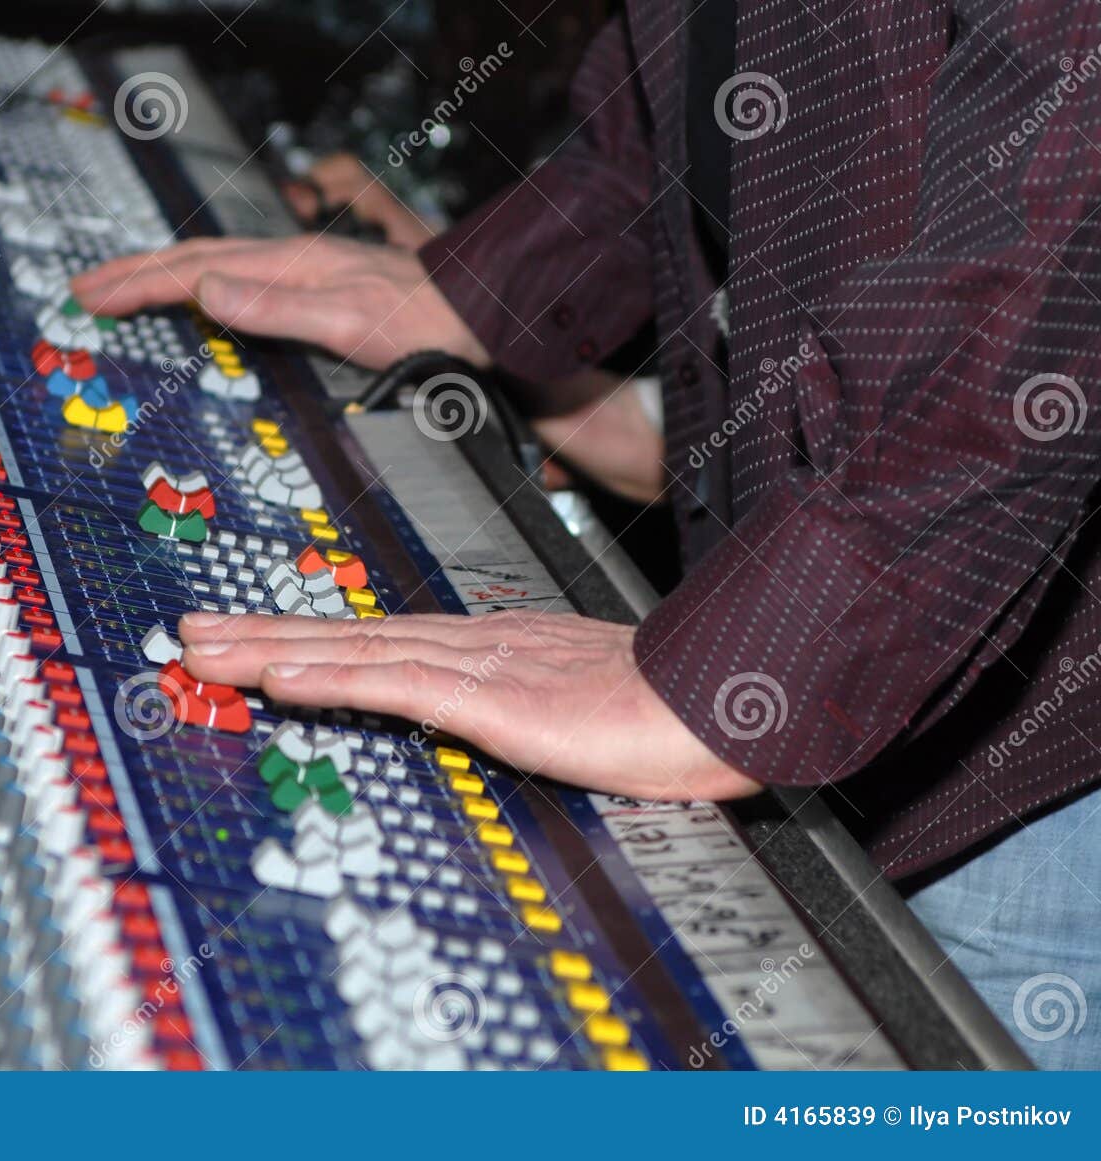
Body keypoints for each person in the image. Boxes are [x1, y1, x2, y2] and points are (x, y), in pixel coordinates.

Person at [73, 0, 1101, 1069]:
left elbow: (1054, 258)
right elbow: (705, 83)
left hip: (1032, 778)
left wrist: (752, 670)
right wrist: (495, 288)